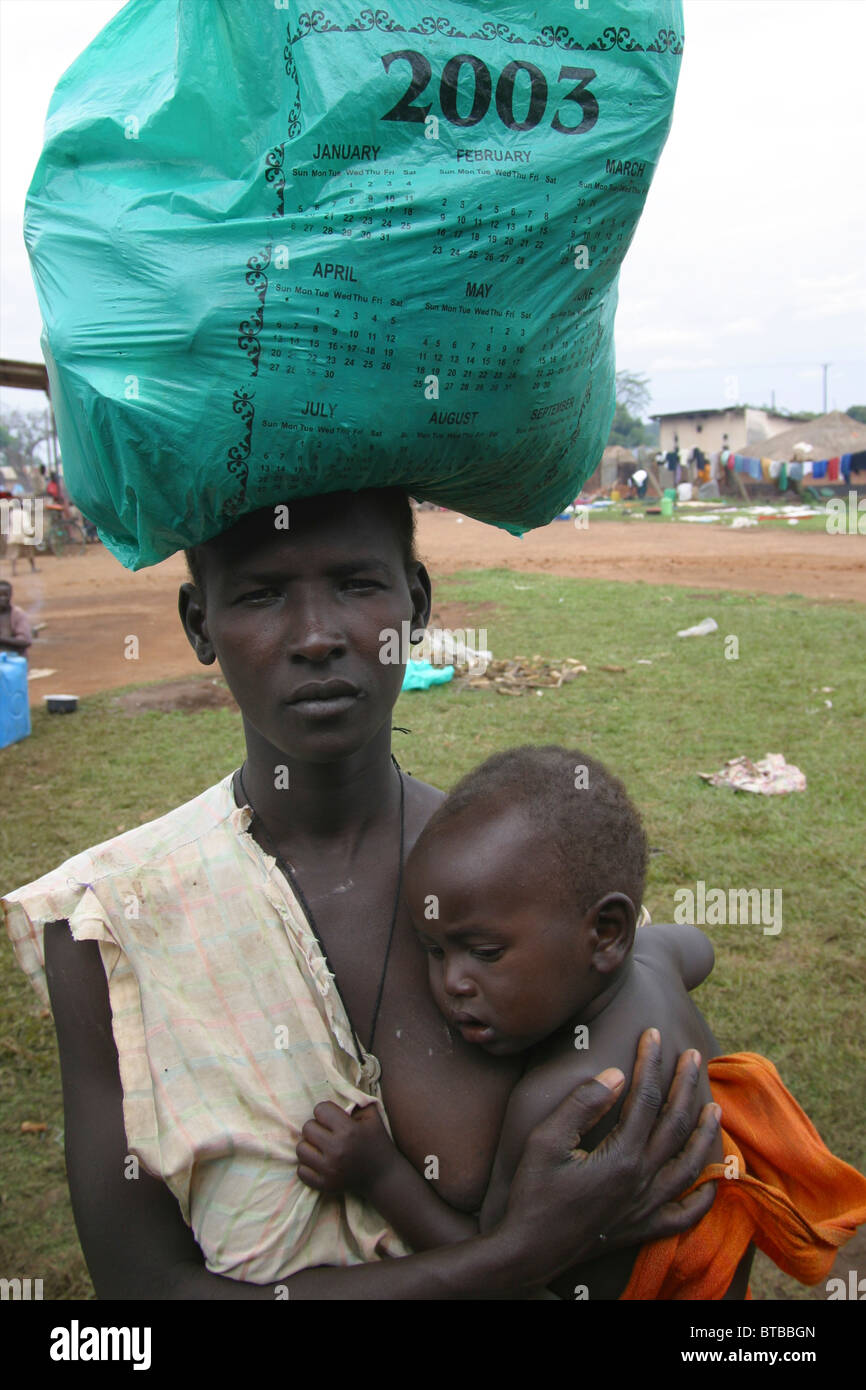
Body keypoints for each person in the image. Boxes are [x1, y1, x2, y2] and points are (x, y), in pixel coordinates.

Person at [2, 489, 720, 1299]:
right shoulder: (110, 924)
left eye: (355, 584)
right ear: (199, 623)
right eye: (261, 594)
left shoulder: (529, 887)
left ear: (415, 603)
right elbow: (144, 1295)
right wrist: (518, 1256)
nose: (317, 637)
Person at [296, 745, 866, 1300]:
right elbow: (700, 947)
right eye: (434, 950)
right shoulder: (657, 962)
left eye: (485, 952)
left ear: (606, 933)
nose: (453, 983)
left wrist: (379, 1175)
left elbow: (495, 1261)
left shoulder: (563, 1099)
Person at [0, 579, 34, 659]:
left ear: (11, 595)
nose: (2, 598)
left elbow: (25, 641)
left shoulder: (18, 614)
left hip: (14, 659)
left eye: (5, 595)